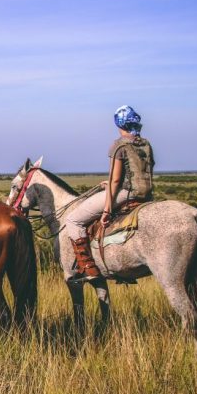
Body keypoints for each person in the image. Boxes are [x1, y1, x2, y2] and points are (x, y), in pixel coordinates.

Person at [64, 105, 154, 281]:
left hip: (127, 194)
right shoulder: (146, 144)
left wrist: (107, 210)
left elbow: (114, 180)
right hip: (147, 195)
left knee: (73, 220)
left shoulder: (119, 145)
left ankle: (87, 268)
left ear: (118, 124)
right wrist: (113, 184)